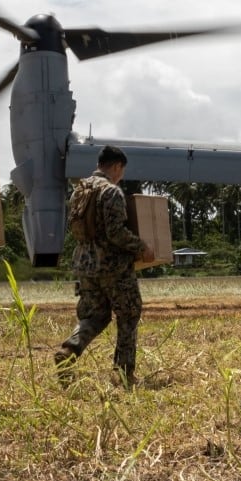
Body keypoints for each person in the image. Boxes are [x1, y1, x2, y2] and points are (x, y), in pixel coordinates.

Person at [55, 145, 153, 389]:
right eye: (122, 171)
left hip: (85, 264)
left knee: (95, 315)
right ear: (117, 166)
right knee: (128, 315)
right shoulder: (111, 192)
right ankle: (124, 373)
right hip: (113, 266)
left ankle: (70, 349)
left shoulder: (80, 190)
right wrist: (142, 247)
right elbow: (116, 232)